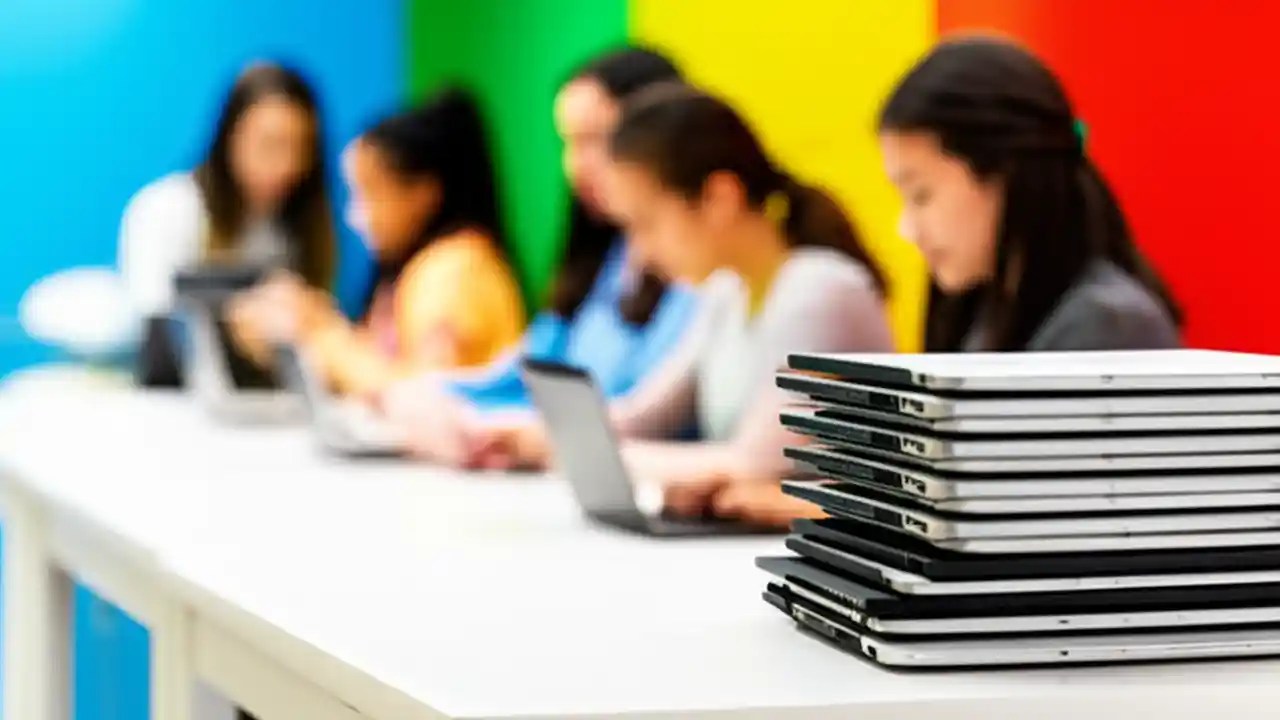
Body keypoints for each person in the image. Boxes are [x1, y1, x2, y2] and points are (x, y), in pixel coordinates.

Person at [669, 35, 1184, 528]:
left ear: (1005, 174)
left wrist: (794, 502)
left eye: (921, 194)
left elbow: (1012, 517)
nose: (907, 228)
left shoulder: (1107, 328)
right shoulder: (994, 313)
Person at [463, 84, 893, 481]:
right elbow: (642, 415)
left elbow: (758, 463)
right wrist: (529, 433)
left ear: (718, 198)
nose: (642, 252)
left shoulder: (818, 290)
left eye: (646, 224)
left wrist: (573, 451)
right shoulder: (727, 293)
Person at [378, 48, 698, 438]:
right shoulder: (604, 260)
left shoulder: (698, 271)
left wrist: (515, 431)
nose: (575, 166)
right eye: (569, 143)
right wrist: (425, 392)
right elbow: (527, 371)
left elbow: (647, 414)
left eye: (595, 140)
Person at [230, 88, 525, 396]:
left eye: (368, 194)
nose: (355, 216)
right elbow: (382, 364)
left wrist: (321, 333)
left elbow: (426, 395)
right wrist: (315, 322)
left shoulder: (454, 273)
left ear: (422, 194)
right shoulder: (412, 270)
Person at [117, 62, 335, 361]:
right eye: (270, 144)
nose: (287, 165)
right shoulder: (166, 207)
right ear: (229, 136)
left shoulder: (295, 224)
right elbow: (156, 326)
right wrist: (237, 323)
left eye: (302, 147)